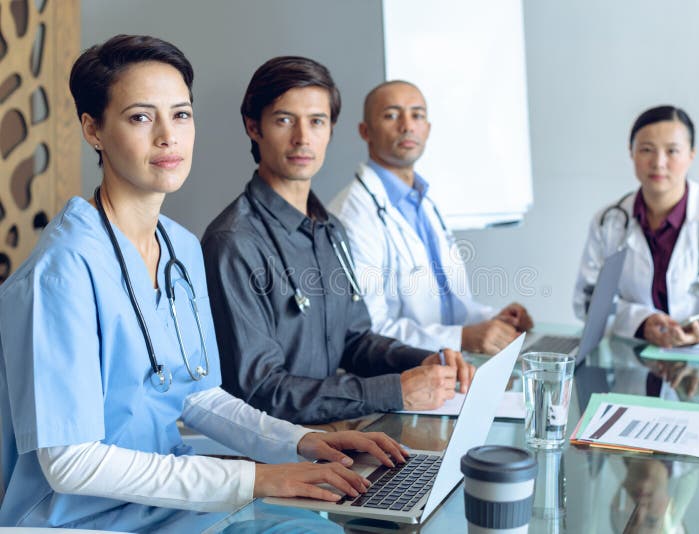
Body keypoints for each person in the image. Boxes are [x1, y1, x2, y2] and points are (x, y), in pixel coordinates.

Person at [0, 35, 408, 532]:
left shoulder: (179, 248)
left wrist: (300, 442)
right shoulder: (61, 273)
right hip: (79, 520)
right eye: (140, 117)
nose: (167, 137)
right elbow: (71, 463)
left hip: (169, 504)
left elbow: (198, 395)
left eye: (181, 115)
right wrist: (254, 478)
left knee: (327, 527)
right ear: (93, 130)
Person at [202, 58, 475, 425]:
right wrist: (394, 391)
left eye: (317, 121)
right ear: (254, 127)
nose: (303, 138)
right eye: (284, 120)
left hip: (333, 433)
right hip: (273, 448)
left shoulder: (330, 230)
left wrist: (422, 360)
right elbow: (262, 390)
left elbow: (354, 341)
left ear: (330, 130)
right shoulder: (234, 243)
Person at [328, 80, 533, 355]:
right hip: (403, 370)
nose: (407, 126)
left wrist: (494, 320)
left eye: (417, 115)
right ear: (366, 131)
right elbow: (367, 330)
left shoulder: (425, 201)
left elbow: (450, 305)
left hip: (450, 362)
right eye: (391, 115)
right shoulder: (352, 215)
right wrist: (462, 338)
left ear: (428, 128)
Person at [573, 105, 699, 351]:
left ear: (691, 155)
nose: (659, 163)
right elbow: (587, 300)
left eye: (672, 151)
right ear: (631, 153)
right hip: (631, 359)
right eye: (647, 150)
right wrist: (641, 323)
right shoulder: (608, 222)